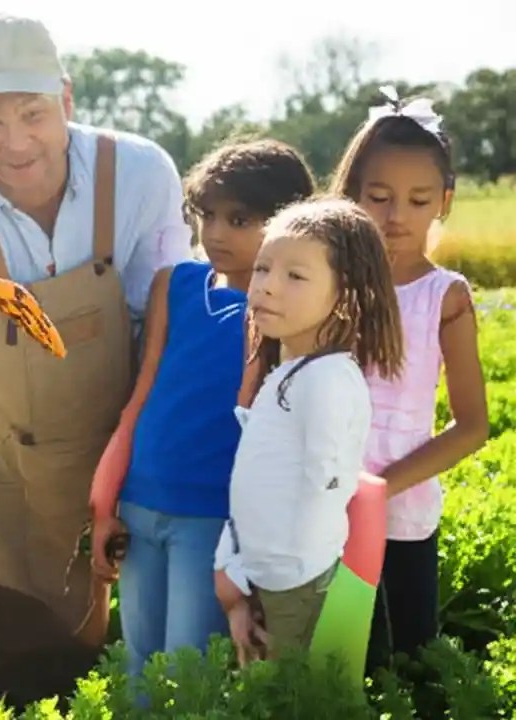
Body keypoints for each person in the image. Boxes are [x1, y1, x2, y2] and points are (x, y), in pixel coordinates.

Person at [0, 13, 193, 707]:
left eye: (32, 113)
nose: (16, 142)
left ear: (65, 100)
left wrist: (137, 452)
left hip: (125, 447)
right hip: (10, 471)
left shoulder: (140, 174)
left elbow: (164, 320)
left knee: (146, 660)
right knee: (13, 663)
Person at [88, 139, 316, 677]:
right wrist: (105, 505)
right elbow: (140, 399)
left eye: (239, 219)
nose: (215, 233)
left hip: (211, 516)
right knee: (139, 662)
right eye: (206, 215)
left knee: (189, 670)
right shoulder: (177, 284)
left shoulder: (285, 312)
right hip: (141, 503)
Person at [330, 90, 489, 669]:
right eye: (378, 197)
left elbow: (473, 425)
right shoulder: (327, 283)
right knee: (336, 666)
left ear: (443, 202)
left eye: (418, 199)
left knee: (407, 667)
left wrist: (379, 488)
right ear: (352, 195)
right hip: (322, 512)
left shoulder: (442, 296)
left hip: (403, 521)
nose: (396, 215)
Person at [213, 197, 405, 664]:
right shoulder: (291, 371)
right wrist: (237, 578)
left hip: (294, 588)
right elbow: (257, 490)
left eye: (295, 276)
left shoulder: (326, 381)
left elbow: (324, 498)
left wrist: (255, 579)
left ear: (346, 294)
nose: (267, 287)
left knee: (294, 703)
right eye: (262, 269)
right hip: (267, 582)